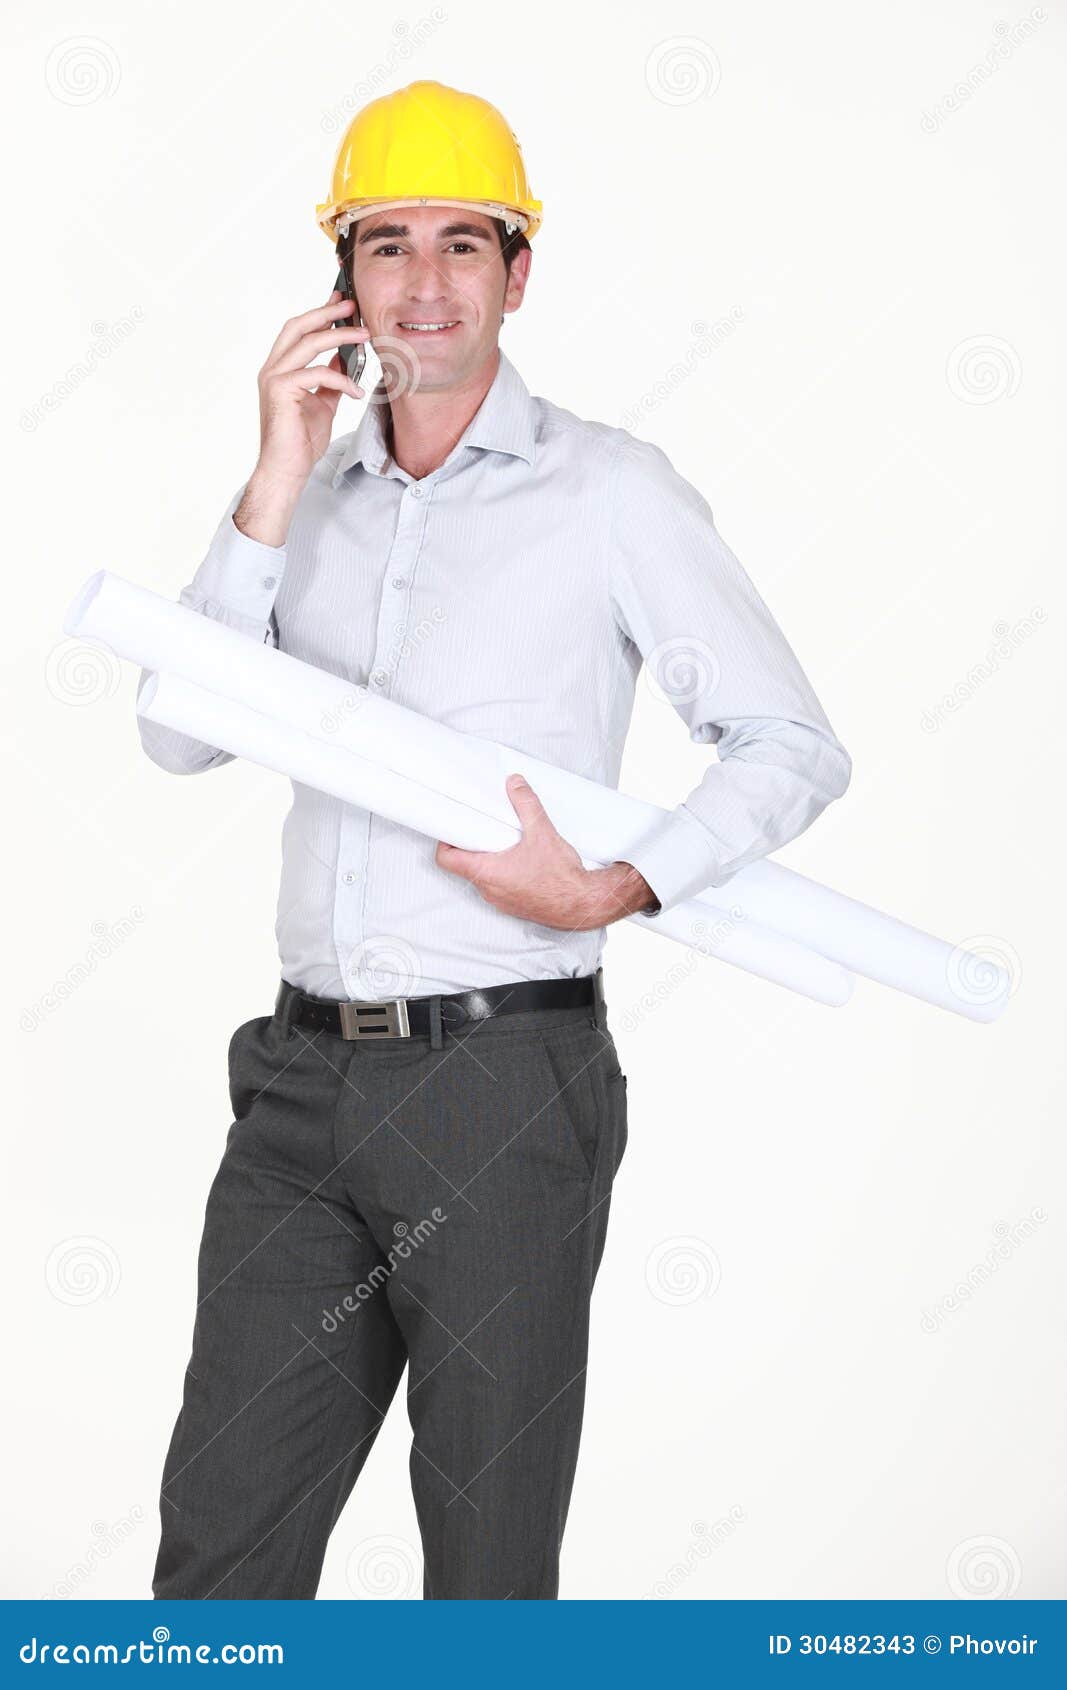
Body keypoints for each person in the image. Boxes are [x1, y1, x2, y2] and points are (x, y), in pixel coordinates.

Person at [140, 79, 851, 1600]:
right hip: (296, 1089)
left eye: (465, 244)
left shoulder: (609, 492)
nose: (425, 282)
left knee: (483, 1573)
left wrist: (619, 880)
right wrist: (272, 463)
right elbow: (178, 728)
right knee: (217, 1569)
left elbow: (793, 742)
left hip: (501, 1088)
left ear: (520, 272)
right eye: (385, 245)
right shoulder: (306, 502)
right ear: (342, 281)